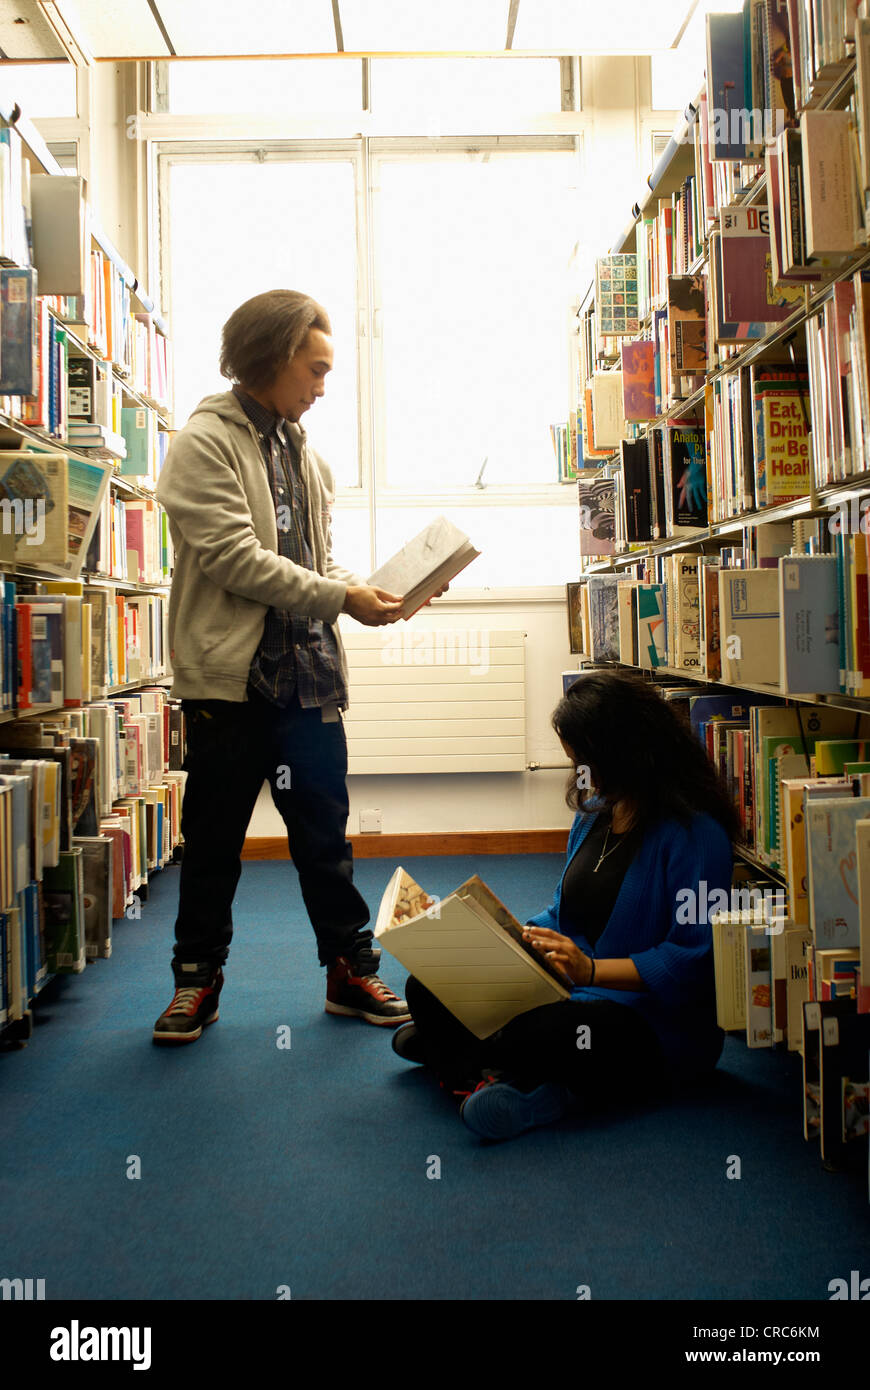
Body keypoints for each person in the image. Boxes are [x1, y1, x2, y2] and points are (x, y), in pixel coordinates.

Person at [152, 288, 414, 1043]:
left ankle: (348, 970)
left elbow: (316, 563)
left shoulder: (305, 455)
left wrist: (384, 591)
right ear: (271, 356)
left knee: (326, 842)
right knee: (212, 847)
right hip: (231, 688)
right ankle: (195, 983)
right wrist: (344, 596)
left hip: (308, 684)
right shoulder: (203, 442)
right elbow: (238, 561)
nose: (324, 387)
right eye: (317, 368)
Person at [391, 670, 739, 1141]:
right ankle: (495, 1074)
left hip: (653, 1025)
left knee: (541, 1032)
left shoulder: (697, 836)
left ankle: (472, 1060)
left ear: (627, 752)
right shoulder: (596, 812)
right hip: (570, 990)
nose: (580, 773)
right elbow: (563, 913)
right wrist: (503, 940)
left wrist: (591, 972)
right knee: (426, 985)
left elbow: (695, 960)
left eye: (586, 760)